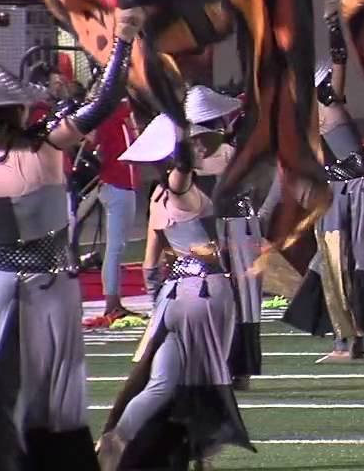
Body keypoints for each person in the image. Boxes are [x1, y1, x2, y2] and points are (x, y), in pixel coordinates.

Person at [0, 7, 139, 469]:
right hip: (48, 287)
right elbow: (103, 101)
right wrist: (124, 39)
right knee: (55, 404)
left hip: (3, 287)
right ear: (17, 108)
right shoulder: (46, 145)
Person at [96, 114, 254, 470]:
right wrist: (184, 144)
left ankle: (116, 439)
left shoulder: (157, 198)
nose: (199, 149)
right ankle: (204, 455)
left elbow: (150, 264)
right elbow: (184, 172)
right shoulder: (182, 192)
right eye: (192, 146)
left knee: (162, 383)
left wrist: (160, 301)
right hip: (207, 295)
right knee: (211, 379)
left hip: (172, 298)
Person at [283, 24, 364, 362]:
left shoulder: (324, 113)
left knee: (337, 263)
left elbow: (339, 66)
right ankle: (354, 338)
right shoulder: (324, 112)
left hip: (348, 194)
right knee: (338, 263)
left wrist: (334, 26)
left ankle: (345, 342)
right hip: (350, 191)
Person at [183, 84, 264, 389]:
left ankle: (228, 366)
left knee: (225, 296)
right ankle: (237, 368)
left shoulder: (197, 149)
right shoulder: (223, 148)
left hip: (222, 225)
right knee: (239, 297)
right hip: (229, 225)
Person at [90, 100, 139, 322]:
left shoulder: (116, 119)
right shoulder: (115, 119)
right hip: (117, 185)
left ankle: (113, 300)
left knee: (116, 246)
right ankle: (112, 302)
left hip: (118, 185)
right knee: (116, 247)